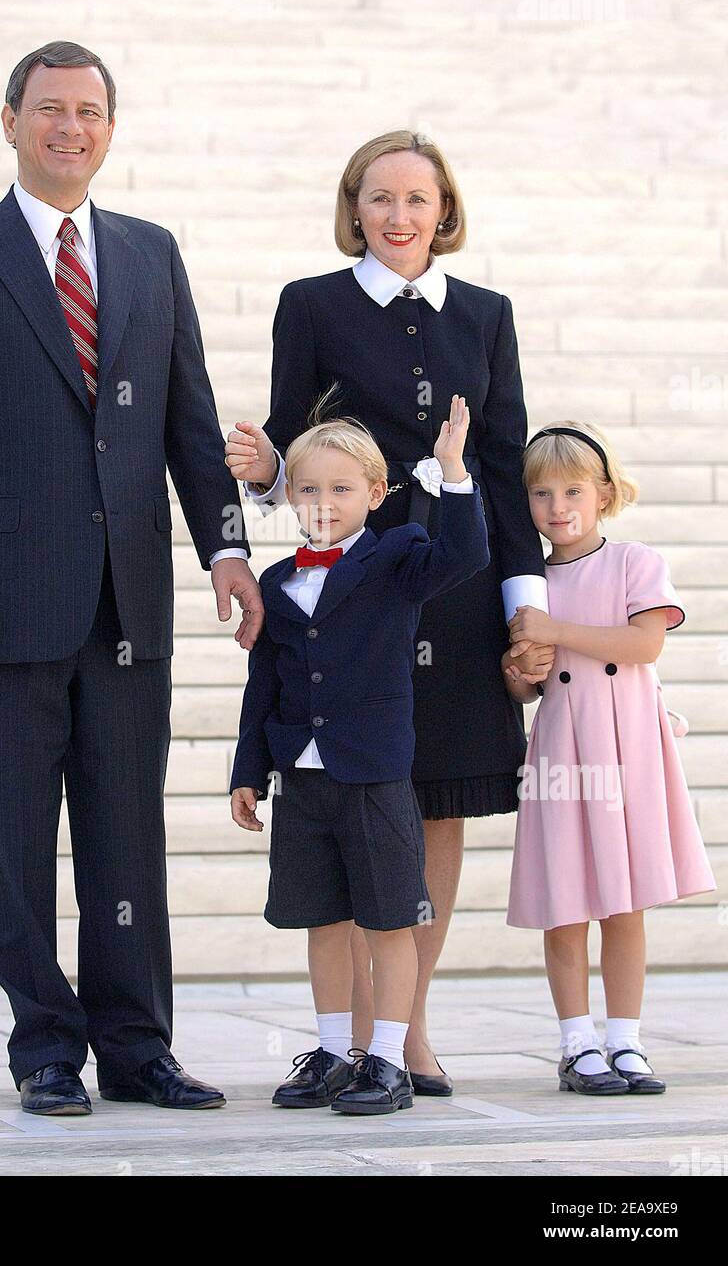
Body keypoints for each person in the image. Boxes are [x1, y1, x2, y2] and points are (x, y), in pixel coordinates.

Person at [0, 41, 263, 1114]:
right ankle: (46, 1045)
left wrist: (225, 548)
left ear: (109, 127)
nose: (70, 128)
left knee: (125, 834)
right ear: (9, 121)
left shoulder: (149, 253)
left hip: (128, 602)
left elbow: (189, 417)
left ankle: (137, 1046)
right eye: (49, 109)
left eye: (89, 111)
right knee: (12, 841)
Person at [225, 130, 553, 1091]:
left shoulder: (486, 314)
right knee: (362, 801)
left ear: (443, 210)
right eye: (380, 199)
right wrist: (264, 472)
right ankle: (351, 1040)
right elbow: (291, 444)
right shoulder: (312, 304)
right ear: (354, 208)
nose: (399, 216)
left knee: (437, 805)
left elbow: (503, 463)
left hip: (455, 586)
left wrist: (523, 605)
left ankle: (404, 1034)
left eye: (418, 199)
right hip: (356, 586)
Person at [230, 395, 489, 1113]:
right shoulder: (278, 581)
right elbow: (264, 684)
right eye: (307, 489)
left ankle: (387, 1060)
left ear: (376, 494)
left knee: (389, 920)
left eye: (340, 489)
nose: (321, 502)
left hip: (373, 775)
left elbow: (466, 555)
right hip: (303, 778)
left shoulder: (396, 556)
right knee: (323, 920)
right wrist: (249, 772)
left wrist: (453, 473)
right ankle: (334, 1052)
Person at [503, 421, 716, 1095]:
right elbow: (523, 683)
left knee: (627, 902)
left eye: (572, 490)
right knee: (565, 899)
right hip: (563, 748)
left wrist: (555, 633)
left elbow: (643, 646)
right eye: (541, 493)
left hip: (627, 747)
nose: (557, 507)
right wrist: (521, 661)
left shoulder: (635, 563)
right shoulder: (523, 582)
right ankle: (577, 1043)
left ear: (602, 493)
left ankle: (625, 1039)